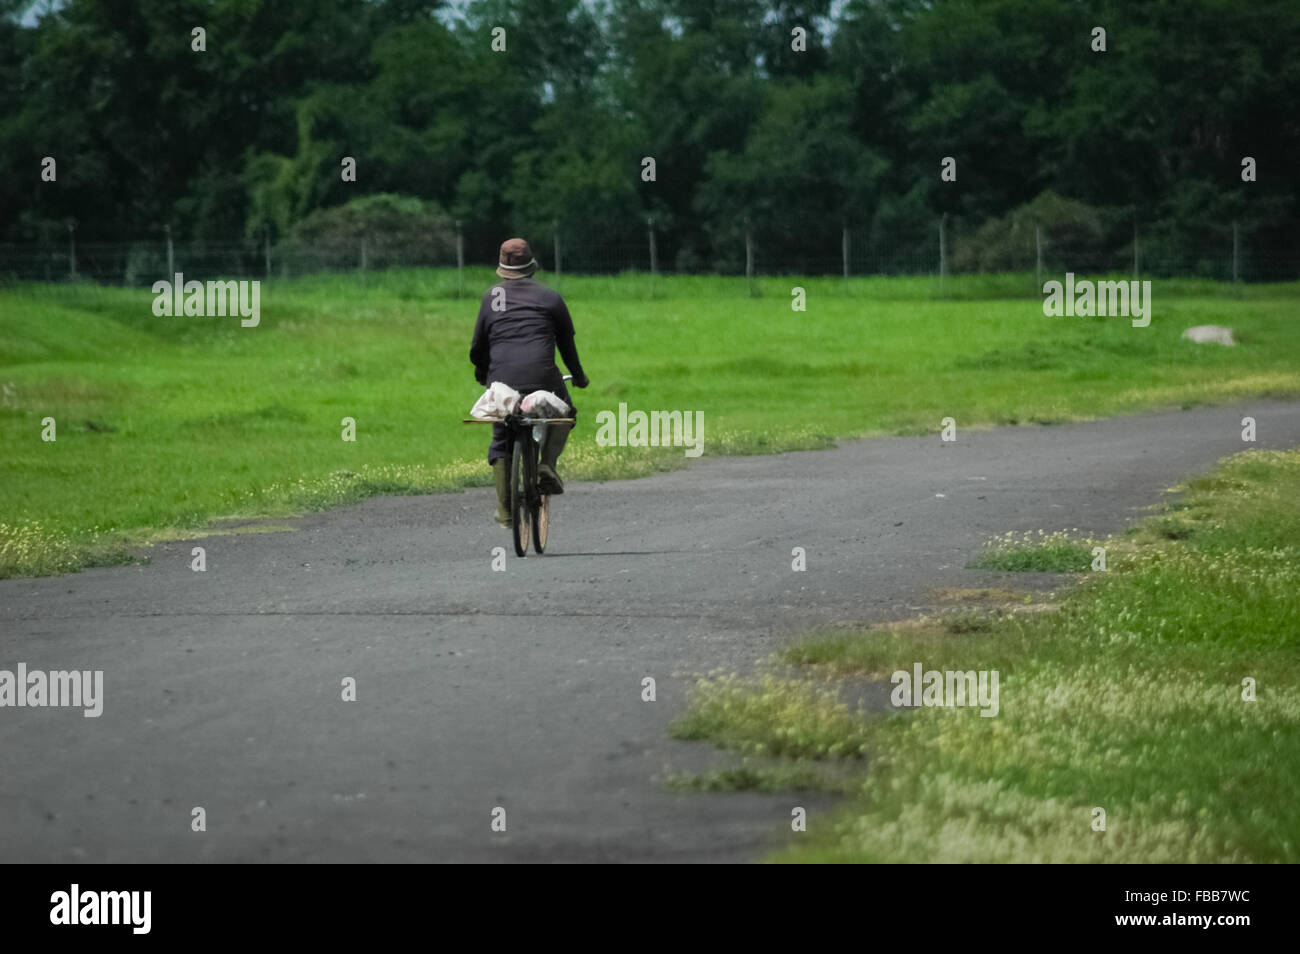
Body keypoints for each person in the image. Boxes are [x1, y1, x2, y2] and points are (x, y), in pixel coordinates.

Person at [470, 238, 589, 528]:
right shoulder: (550, 298)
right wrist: (579, 377)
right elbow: (567, 346)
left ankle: (505, 511)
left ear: (501, 269)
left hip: (502, 379)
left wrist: (484, 375)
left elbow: (477, 348)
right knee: (565, 415)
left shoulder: (491, 297)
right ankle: (546, 465)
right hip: (543, 378)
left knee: (501, 436)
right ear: (532, 267)